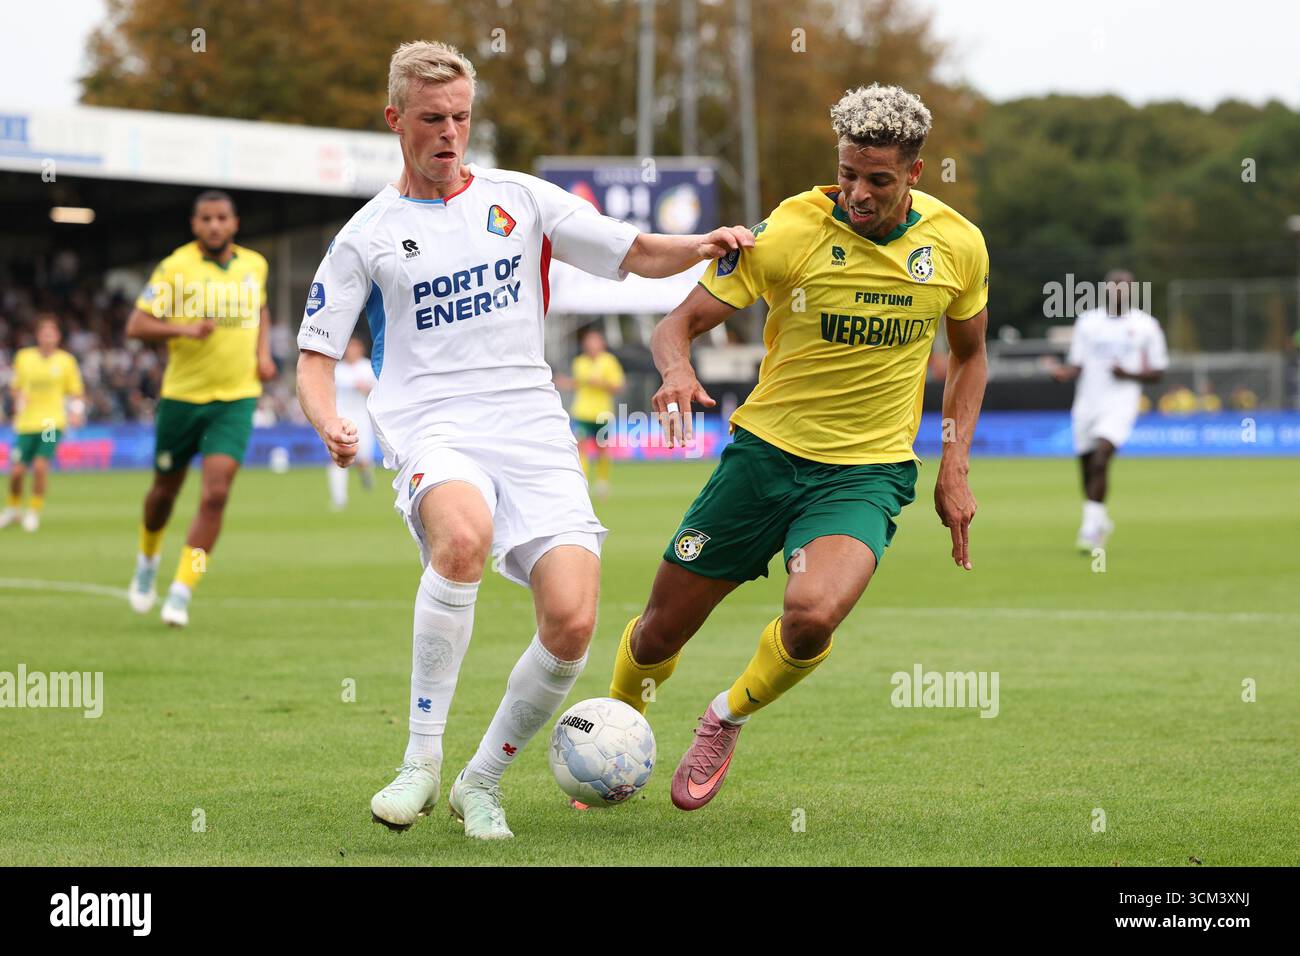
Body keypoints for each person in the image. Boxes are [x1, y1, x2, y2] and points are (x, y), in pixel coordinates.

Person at [295, 40, 753, 840]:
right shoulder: (364, 236)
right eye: (432, 118)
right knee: (463, 539)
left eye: (462, 117)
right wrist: (328, 419)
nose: (450, 133)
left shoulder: (520, 199)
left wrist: (703, 245)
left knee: (574, 622)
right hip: (434, 427)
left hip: (532, 428)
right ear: (395, 119)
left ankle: (482, 781)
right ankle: (420, 764)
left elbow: (635, 252)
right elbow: (314, 358)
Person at [604, 83, 990, 811]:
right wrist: (678, 372)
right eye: (847, 174)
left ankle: (726, 717)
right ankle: (619, 729)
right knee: (658, 633)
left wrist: (954, 465)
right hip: (763, 459)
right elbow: (674, 325)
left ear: (914, 171)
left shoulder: (958, 246)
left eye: (877, 179)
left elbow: (970, 356)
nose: (857, 193)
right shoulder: (790, 231)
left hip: (865, 472)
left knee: (812, 615)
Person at [124, 190, 277, 626]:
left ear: (234, 223)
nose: (214, 225)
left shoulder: (255, 265)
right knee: (163, 495)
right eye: (206, 219)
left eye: (222, 218)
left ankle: (181, 591)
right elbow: (136, 324)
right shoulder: (175, 267)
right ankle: (148, 561)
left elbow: (262, 310)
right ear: (195, 225)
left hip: (235, 399)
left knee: (216, 494)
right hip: (182, 399)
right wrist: (184, 329)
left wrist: (263, 354)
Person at [1052, 269, 1167, 551]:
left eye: (1124, 287)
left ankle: (1090, 530)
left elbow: (1158, 372)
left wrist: (1128, 374)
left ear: (1132, 291)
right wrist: (1065, 373)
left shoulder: (1146, 325)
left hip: (1121, 403)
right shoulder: (1088, 322)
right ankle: (1099, 518)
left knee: (1102, 457)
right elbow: (1077, 364)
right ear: (1105, 290)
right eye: (1114, 287)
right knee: (1087, 466)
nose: (1119, 291)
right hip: (1087, 403)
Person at [2, 316, 85, 532]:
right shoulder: (24, 357)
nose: (48, 336)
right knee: (17, 471)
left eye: (52, 332)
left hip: (50, 422)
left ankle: (33, 511)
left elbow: (76, 392)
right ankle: (13, 509)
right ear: (38, 335)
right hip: (26, 423)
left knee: (40, 466)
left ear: (58, 336)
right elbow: (14, 387)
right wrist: (19, 397)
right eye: (44, 332)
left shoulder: (66, 361)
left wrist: (76, 412)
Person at [566, 326, 624, 498]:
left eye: (594, 341)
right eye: (588, 342)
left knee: (602, 448)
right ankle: (582, 482)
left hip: (602, 413)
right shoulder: (579, 362)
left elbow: (618, 386)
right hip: (582, 412)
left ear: (601, 343)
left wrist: (601, 383)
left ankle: (602, 482)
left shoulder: (609, 361)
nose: (591, 345)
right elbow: (579, 383)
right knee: (581, 447)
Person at [327, 337, 377, 509]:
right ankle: (339, 498)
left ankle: (366, 474)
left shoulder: (367, 367)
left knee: (363, 457)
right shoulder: (338, 370)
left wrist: (366, 389)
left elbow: (376, 388)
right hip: (342, 416)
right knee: (338, 456)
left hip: (362, 416)